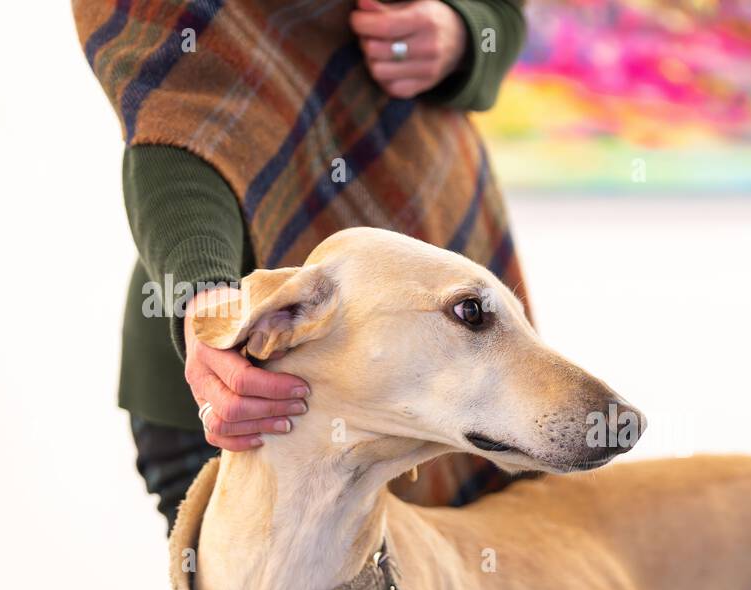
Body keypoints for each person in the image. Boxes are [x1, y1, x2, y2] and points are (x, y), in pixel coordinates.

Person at [74, 0, 529, 528]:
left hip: (442, 280)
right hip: (237, 377)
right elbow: (170, 109)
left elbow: (505, 16)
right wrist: (208, 302)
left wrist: (466, 34)